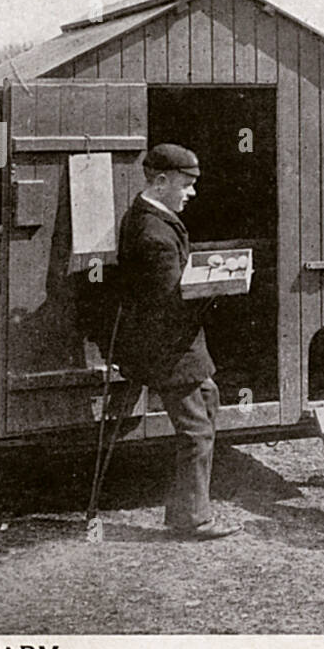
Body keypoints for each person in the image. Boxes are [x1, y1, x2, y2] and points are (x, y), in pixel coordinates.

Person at [112, 144, 241, 541]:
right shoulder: (154, 235)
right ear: (162, 181)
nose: (192, 193)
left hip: (181, 346)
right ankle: (191, 518)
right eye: (186, 185)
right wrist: (220, 287)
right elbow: (170, 304)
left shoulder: (153, 217)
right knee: (196, 431)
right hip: (168, 348)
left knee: (208, 402)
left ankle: (187, 509)